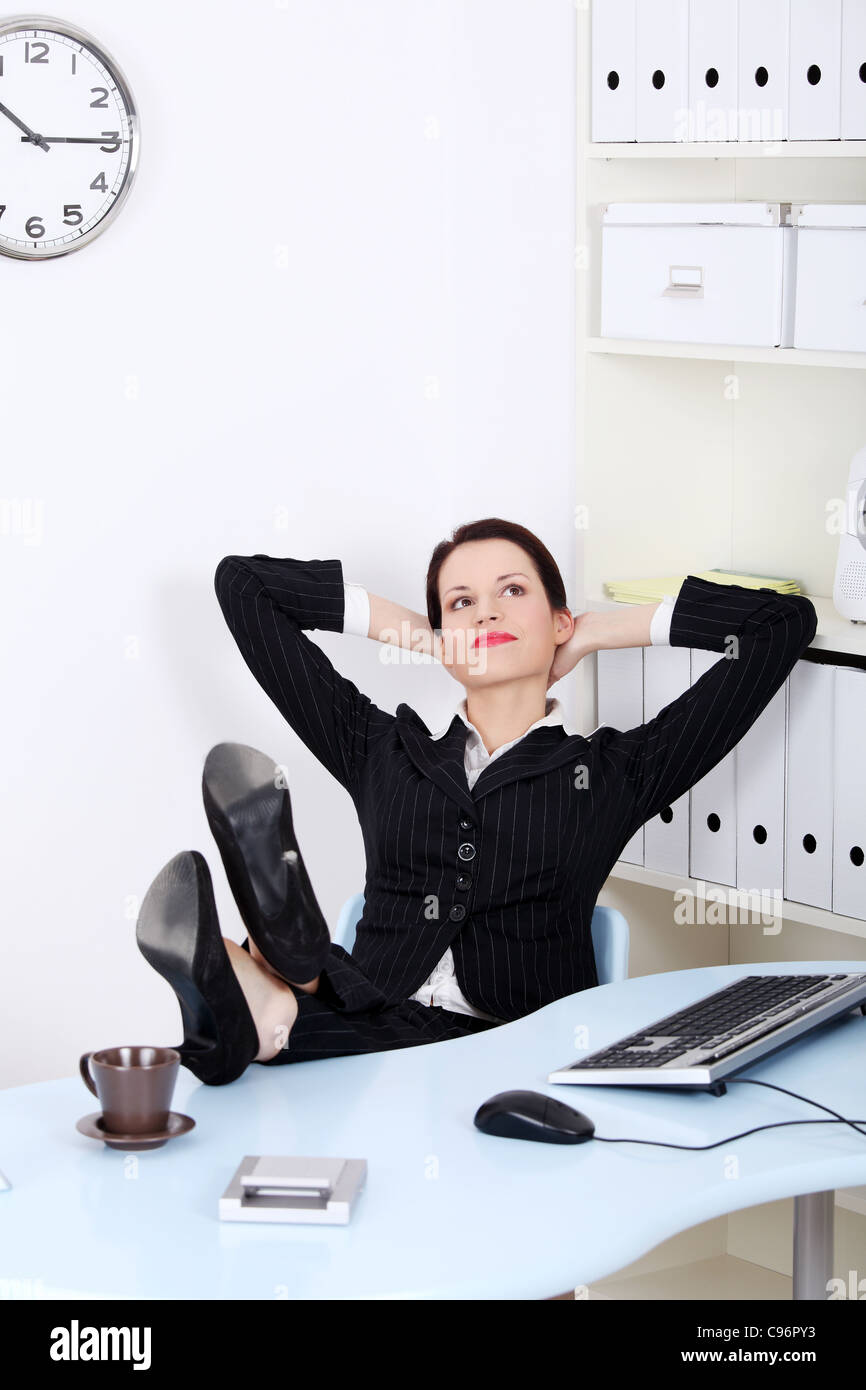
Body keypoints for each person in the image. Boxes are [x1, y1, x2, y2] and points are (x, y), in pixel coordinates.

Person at [135, 517, 817, 1085]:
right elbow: (244, 587)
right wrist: (421, 638)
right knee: (326, 1011)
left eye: (511, 591)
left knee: (277, 1009)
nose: (485, 609)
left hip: (512, 1046)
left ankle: (267, 989)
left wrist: (598, 631)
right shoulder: (381, 749)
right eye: (461, 601)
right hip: (372, 1008)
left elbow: (780, 626)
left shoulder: (615, 774)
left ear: (556, 620)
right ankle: (276, 986)